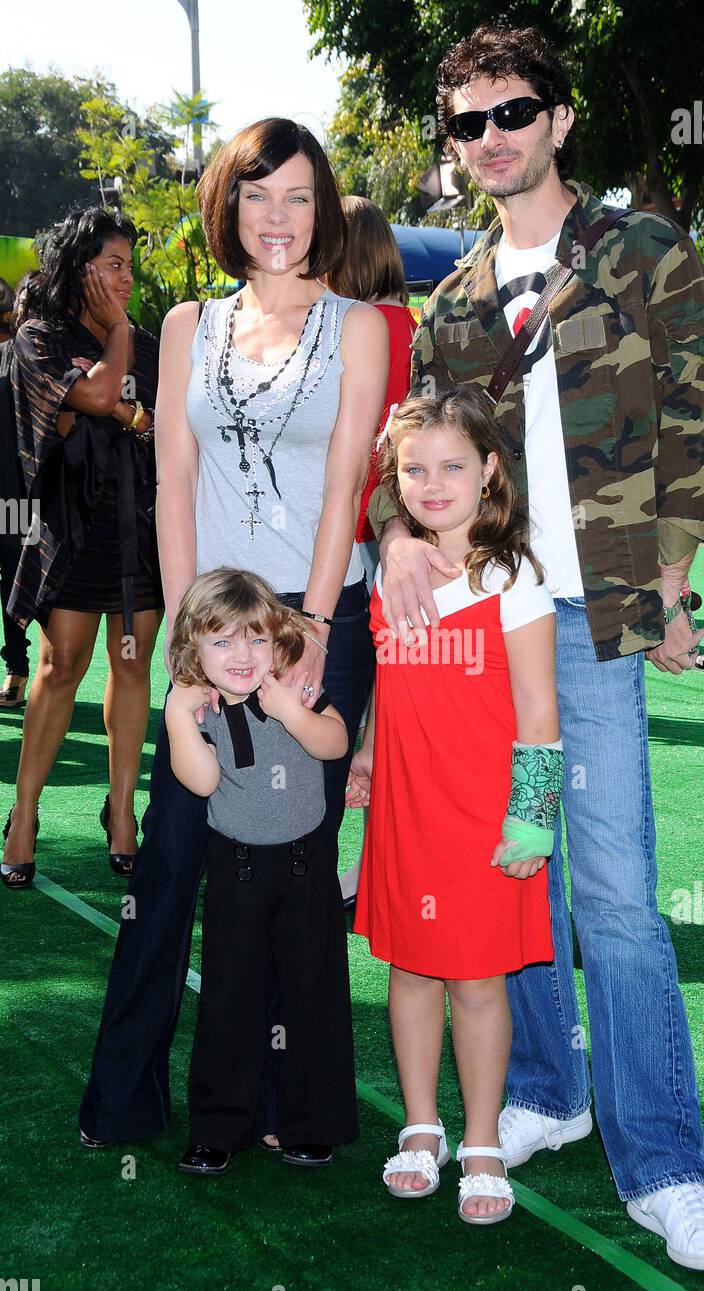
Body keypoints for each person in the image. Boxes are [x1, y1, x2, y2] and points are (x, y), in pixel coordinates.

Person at [366, 25, 704, 1269]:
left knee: (619, 902)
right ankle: (544, 1089)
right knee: (504, 874)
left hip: (594, 624)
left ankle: (667, 1163)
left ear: (561, 119)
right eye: (467, 123)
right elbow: (409, 466)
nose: (491, 140)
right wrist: (408, 546)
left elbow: (700, 421)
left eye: (512, 112)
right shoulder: (454, 299)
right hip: (476, 637)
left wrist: (678, 581)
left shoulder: (645, 252)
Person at [79, 117, 388, 1152]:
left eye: (298, 197)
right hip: (208, 631)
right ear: (227, 206)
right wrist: (192, 645)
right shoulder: (185, 327)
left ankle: (272, 1106)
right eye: (257, 195)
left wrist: (301, 630)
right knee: (172, 856)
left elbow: (348, 479)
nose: (277, 219)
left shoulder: (360, 325)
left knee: (286, 878)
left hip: (314, 620)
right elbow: (172, 481)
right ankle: (123, 1096)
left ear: (325, 210)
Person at [350, 386, 560, 1225]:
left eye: (451, 467)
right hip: (404, 807)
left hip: (482, 817)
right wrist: (366, 748)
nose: (432, 485)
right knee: (410, 968)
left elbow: (540, 713)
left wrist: (532, 818)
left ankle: (480, 1141)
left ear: (490, 473)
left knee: (475, 977)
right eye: (414, 470)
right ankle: (421, 1126)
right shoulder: (389, 568)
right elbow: (385, 679)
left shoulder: (513, 578)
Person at [166, 569, 357, 1175]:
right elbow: (200, 781)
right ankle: (220, 1128)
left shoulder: (293, 689)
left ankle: (310, 1123)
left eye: (255, 640)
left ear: (279, 643)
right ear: (195, 651)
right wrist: (177, 713)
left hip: (305, 865)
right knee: (229, 998)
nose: (241, 655)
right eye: (222, 642)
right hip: (236, 869)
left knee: (313, 993)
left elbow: (334, 744)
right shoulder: (203, 708)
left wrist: (291, 712)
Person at [2, 209, 162, 888]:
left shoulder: (151, 345)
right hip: (67, 531)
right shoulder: (40, 337)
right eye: (114, 264)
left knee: (130, 663)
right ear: (81, 267)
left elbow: (163, 427)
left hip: (137, 530)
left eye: (130, 265)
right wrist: (121, 353)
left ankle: (122, 813)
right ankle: (24, 814)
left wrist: (134, 410)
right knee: (61, 665)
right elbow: (96, 396)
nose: (127, 277)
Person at [326, 194, 416, 906]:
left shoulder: (359, 328)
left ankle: (327, 861)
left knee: (339, 715)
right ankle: (378, 867)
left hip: (360, 540)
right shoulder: (411, 325)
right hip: (406, 536)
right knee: (395, 722)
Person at [0, 274, 39, 710]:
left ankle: (18, 671)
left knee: (16, 585)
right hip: (15, 500)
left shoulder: (39, 364)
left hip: (20, 501)